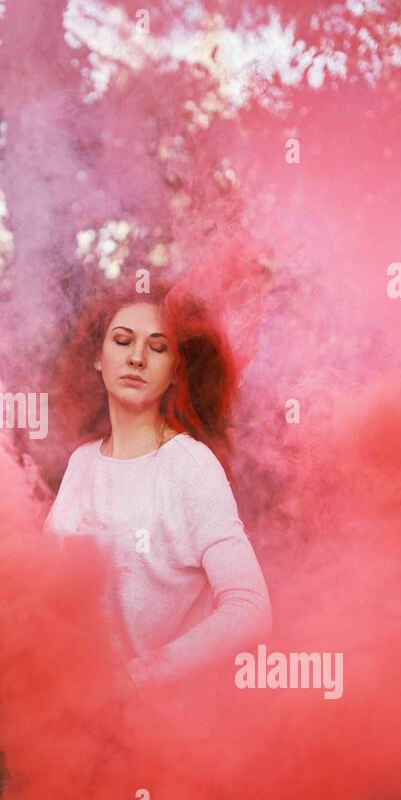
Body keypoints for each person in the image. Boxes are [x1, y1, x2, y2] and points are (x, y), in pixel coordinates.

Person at [44, 282, 272, 691]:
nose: (136, 357)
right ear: (98, 358)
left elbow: (250, 609)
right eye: (122, 341)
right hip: (79, 724)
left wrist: (138, 679)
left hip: (171, 733)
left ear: (174, 373)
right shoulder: (82, 462)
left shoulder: (190, 466)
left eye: (158, 347)